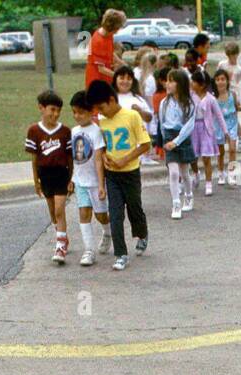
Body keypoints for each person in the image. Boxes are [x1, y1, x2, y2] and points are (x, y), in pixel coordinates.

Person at [86, 79, 151, 270]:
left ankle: (142, 233)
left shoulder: (131, 116)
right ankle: (121, 254)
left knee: (134, 209)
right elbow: (103, 145)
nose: (99, 112)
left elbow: (146, 144)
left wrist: (125, 160)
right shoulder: (102, 122)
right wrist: (105, 156)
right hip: (112, 175)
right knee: (115, 214)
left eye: (101, 107)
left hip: (130, 173)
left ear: (111, 100)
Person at [25, 89, 73, 264]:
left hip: (61, 173)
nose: (56, 114)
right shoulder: (34, 131)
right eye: (52, 109)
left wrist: (70, 178)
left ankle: (60, 246)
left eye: (58, 110)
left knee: (60, 209)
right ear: (41, 108)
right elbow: (34, 157)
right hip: (45, 175)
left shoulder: (65, 131)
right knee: (53, 212)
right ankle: (62, 235)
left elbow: (70, 157)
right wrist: (36, 180)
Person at [67, 90, 111, 266]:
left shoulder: (96, 131)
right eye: (74, 112)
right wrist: (71, 179)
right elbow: (72, 159)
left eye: (81, 112)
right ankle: (89, 251)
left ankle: (107, 232)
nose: (77, 116)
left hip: (95, 182)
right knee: (84, 213)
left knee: (101, 215)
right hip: (80, 182)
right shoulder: (73, 131)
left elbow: (99, 159)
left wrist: (101, 185)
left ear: (91, 111)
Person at [157, 68, 196, 219]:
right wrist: (165, 141)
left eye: (172, 80)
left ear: (180, 84)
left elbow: (189, 125)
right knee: (173, 172)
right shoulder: (164, 103)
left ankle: (189, 195)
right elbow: (162, 123)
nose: (168, 84)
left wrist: (177, 141)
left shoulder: (189, 104)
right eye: (167, 80)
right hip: (169, 137)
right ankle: (176, 204)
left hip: (182, 138)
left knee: (185, 172)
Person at [188, 69, 226, 197]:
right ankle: (196, 173)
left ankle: (208, 183)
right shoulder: (190, 96)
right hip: (193, 129)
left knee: (206, 157)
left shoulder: (211, 99)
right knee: (193, 157)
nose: (191, 84)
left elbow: (219, 115)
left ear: (202, 84)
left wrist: (225, 131)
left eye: (194, 82)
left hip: (206, 129)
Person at [212, 69, 241, 187]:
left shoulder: (232, 94)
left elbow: (236, 106)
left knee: (232, 149)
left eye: (223, 79)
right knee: (221, 151)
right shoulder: (213, 97)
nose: (220, 82)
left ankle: (233, 174)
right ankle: (221, 173)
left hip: (232, 123)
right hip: (218, 125)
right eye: (218, 80)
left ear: (227, 81)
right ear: (215, 82)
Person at [85, 9, 125, 90]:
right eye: (118, 28)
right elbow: (101, 69)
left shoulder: (109, 35)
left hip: (107, 77)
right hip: (96, 79)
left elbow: (110, 52)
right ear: (113, 27)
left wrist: (122, 63)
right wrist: (119, 77)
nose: (118, 31)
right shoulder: (98, 40)